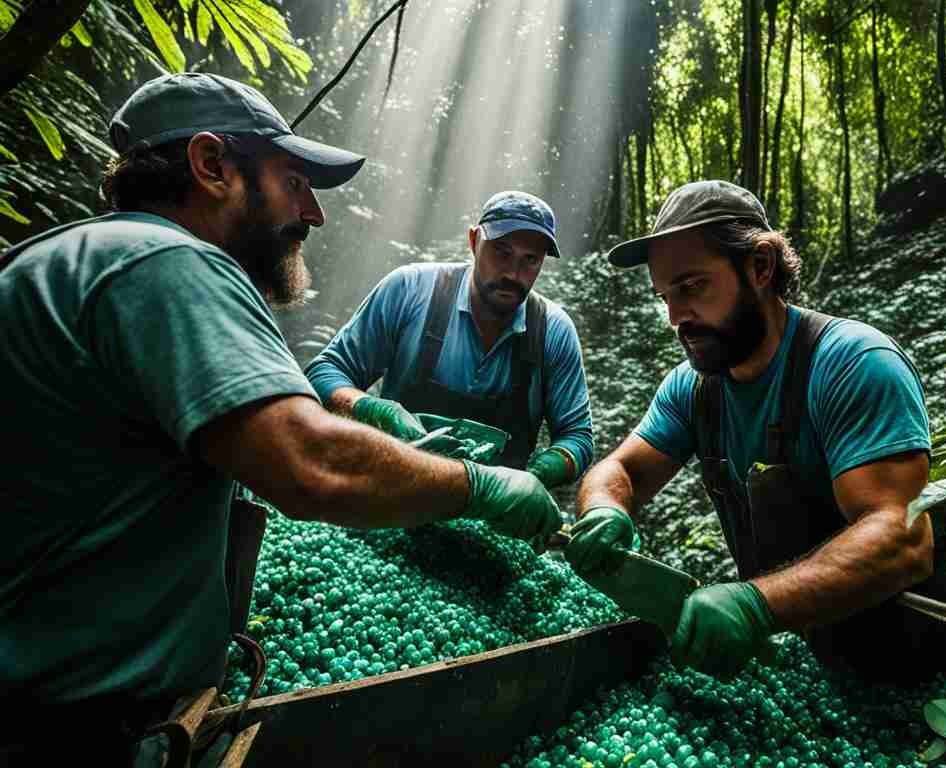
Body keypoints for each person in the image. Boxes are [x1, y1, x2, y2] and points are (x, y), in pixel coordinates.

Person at [0, 72, 561, 764]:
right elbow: (309, 463)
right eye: (294, 181)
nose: (314, 212)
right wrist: (479, 485)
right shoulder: (167, 263)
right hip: (59, 730)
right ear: (212, 166)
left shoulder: (66, 257)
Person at [565, 179, 946, 683]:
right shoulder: (694, 389)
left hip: (911, 676)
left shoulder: (853, 364)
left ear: (760, 267)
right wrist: (605, 506)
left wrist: (755, 604)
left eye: (693, 287)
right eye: (665, 297)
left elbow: (902, 538)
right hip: (797, 667)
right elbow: (621, 468)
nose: (676, 317)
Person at [303, 190, 594, 491]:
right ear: (473, 241)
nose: (513, 273)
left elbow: (578, 437)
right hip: (390, 499)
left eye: (530, 260)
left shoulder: (553, 331)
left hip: (496, 515)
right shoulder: (411, 291)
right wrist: (372, 410)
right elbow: (324, 371)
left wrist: (538, 474)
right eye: (502, 252)